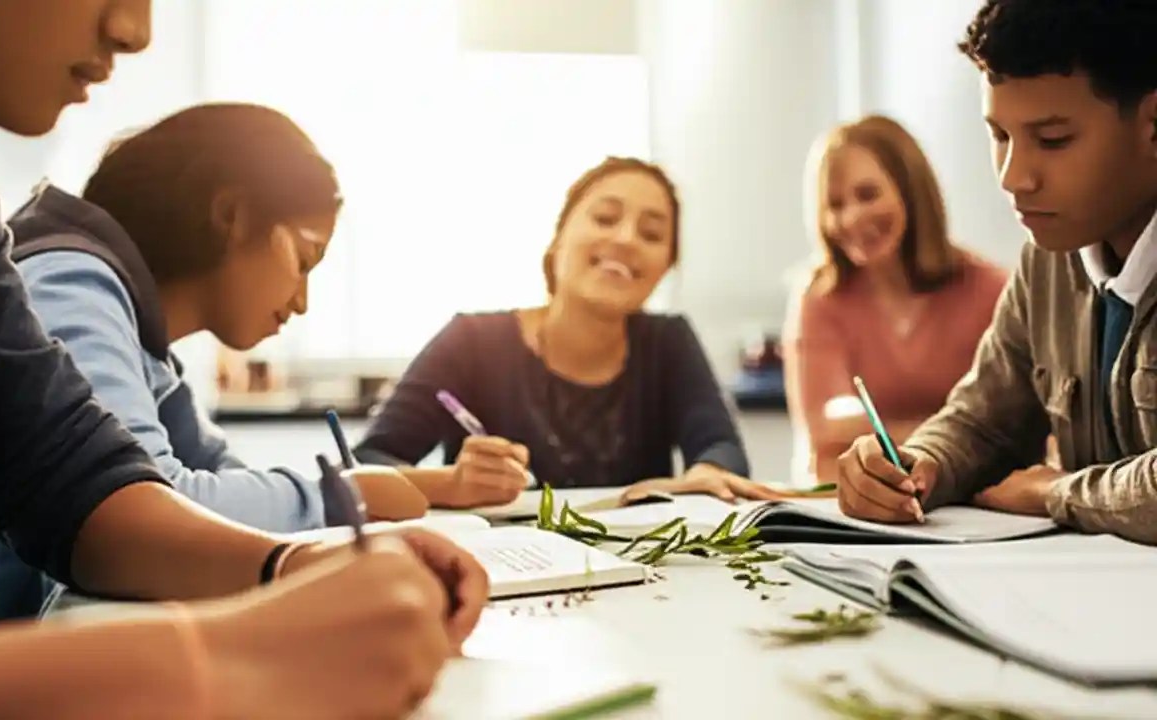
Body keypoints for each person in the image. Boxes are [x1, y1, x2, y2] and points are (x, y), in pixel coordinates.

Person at [0, 1, 483, 716]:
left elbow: (73, 483)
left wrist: (289, 563)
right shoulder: (73, 271)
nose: (135, 31)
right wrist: (206, 662)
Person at [0, 103, 429, 627]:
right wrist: (336, 496)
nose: (303, 303)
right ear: (234, 216)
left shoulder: (143, 337)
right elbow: (155, 504)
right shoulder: (69, 279)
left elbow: (219, 473)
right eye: (303, 260)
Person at [835, 0, 1157, 546]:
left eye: (1053, 140)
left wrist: (1056, 494)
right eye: (1000, 136)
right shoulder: (1049, 257)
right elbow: (984, 419)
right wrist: (917, 465)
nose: (1013, 178)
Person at [356, 156, 782, 507]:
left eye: (651, 233)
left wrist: (708, 474)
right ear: (558, 238)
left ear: (664, 269)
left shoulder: (667, 342)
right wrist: (449, 483)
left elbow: (722, 450)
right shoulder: (472, 340)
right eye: (605, 217)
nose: (626, 238)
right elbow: (361, 468)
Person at [783, 115, 1008, 485]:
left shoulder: (991, 290)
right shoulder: (820, 299)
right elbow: (826, 433)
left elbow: (1010, 428)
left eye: (868, 195)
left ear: (910, 191)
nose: (851, 218)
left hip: (968, 500)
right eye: (835, 205)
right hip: (847, 501)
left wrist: (881, 433)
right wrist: (957, 433)